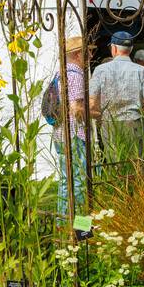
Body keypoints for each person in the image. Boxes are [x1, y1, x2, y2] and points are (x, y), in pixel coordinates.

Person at [91, 31, 144, 155]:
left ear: (114, 48)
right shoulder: (142, 71)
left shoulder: (100, 70)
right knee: (135, 161)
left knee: (114, 162)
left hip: (109, 122)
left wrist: (101, 117)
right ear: (131, 49)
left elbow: (92, 103)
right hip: (134, 122)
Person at [53, 35, 92, 216]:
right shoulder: (75, 76)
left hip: (60, 133)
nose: (90, 56)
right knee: (79, 180)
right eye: (88, 52)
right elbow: (76, 109)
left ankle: (62, 221)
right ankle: (80, 225)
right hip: (74, 134)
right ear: (78, 54)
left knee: (65, 179)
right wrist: (93, 112)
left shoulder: (60, 74)